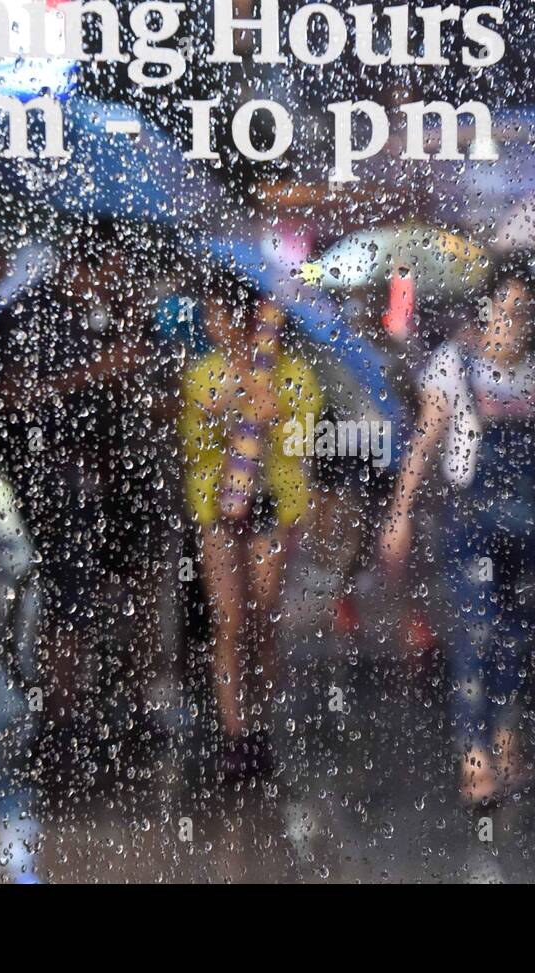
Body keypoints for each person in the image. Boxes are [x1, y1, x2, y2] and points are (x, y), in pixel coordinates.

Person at [379, 260, 535, 804]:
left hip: (533, 523)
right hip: (470, 522)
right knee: (475, 634)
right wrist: (399, 514)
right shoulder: (453, 364)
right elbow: (425, 442)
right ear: (484, 311)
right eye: (501, 310)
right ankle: (473, 757)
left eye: (521, 312)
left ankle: (507, 741)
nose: (510, 323)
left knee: (517, 639)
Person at [0, 227, 163, 792]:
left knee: (136, 584)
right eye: (107, 270)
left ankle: (130, 710)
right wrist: (95, 372)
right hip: (55, 478)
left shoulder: (120, 313)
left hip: (120, 475)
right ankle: (58, 724)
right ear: (82, 265)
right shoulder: (26, 317)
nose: (115, 281)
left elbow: (143, 396)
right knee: (69, 592)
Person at [180, 274, 323, 781]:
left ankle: (259, 724)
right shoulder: (202, 377)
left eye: (223, 313)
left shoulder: (292, 374)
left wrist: (274, 412)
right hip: (219, 508)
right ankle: (233, 731)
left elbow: (306, 438)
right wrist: (224, 419)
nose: (215, 324)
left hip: (270, 506)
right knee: (228, 621)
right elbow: (192, 449)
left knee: (262, 617)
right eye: (211, 314)